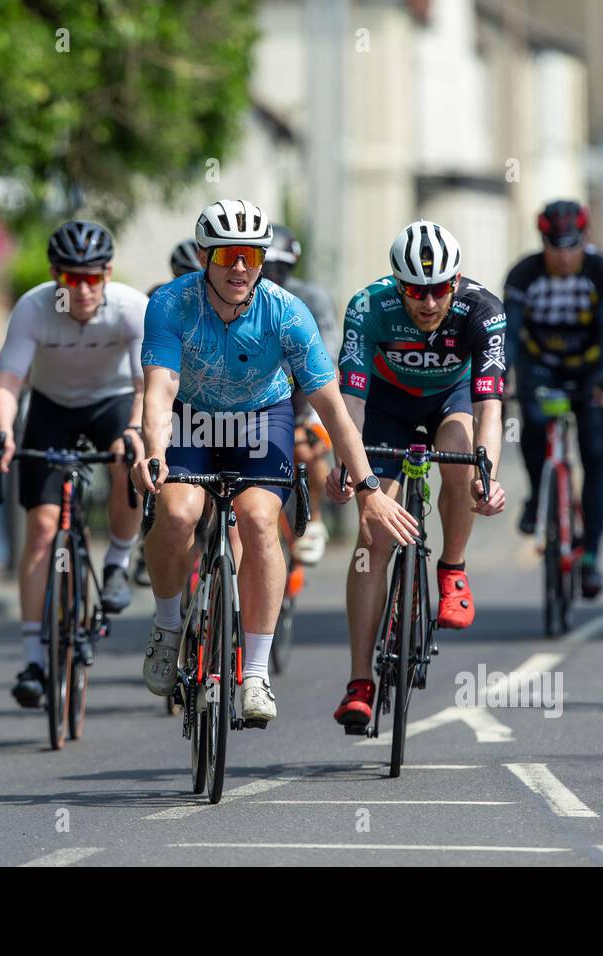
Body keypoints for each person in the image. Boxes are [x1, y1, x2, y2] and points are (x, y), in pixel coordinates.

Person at [133, 199, 417, 725]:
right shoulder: (171, 303)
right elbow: (161, 387)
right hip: (190, 417)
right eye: (227, 255)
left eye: (252, 255)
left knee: (261, 521)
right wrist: (151, 451)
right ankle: (169, 626)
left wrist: (370, 487)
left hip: (261, 418)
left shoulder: (287, 310)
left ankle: (256, 672)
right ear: (204, 257)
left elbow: (331, 405)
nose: (240, 267)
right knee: (175, 515)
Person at [328, 220, 507, 729]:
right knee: (371, 536)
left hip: (450, 401)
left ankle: (451, 569)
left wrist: (486, 473)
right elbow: (352, 402)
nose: (427, 303)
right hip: (386, 406)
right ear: (396, 284)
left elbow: (489, 406)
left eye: (437, 290)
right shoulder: (369, 307)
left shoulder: (484, 310)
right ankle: (360, 679)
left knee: (459, 458)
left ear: (455, 282)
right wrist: (347, 466)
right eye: (414, 291)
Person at [0, 220, 147, 708]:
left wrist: (135, 433)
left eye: (92, 278)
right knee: (41, 527)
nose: (82, 290)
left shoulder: (131, 308)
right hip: (52, 406)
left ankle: (117, 562)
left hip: (113, 401)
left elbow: (146, 387)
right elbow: (7, 384)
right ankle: (34, 658)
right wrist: (3, 432)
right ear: (56, 277)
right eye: (71, 279)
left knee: (126, 459)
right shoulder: (33, 308)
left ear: (107, 275)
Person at [504, 199, 603, 599]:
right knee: (533, 420)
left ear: (585, 240)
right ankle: (539, 492)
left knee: (593, 451)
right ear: (543, 243)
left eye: (571, 246)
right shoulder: (523, 274)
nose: (563, 256)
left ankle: (590, 558)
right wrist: (502, 379)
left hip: (588, 367)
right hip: (542, 365)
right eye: (554, 247)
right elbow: (510, 337)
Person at [262, 223, 341, 565]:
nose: (274, 277)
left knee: (308, 449)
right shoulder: (242, 297)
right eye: (267, 268)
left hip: (305, 387)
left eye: (282, 270)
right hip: (260, 390)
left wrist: (309, 417)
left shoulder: (311, 299)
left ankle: (314, 521)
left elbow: (327, 354)